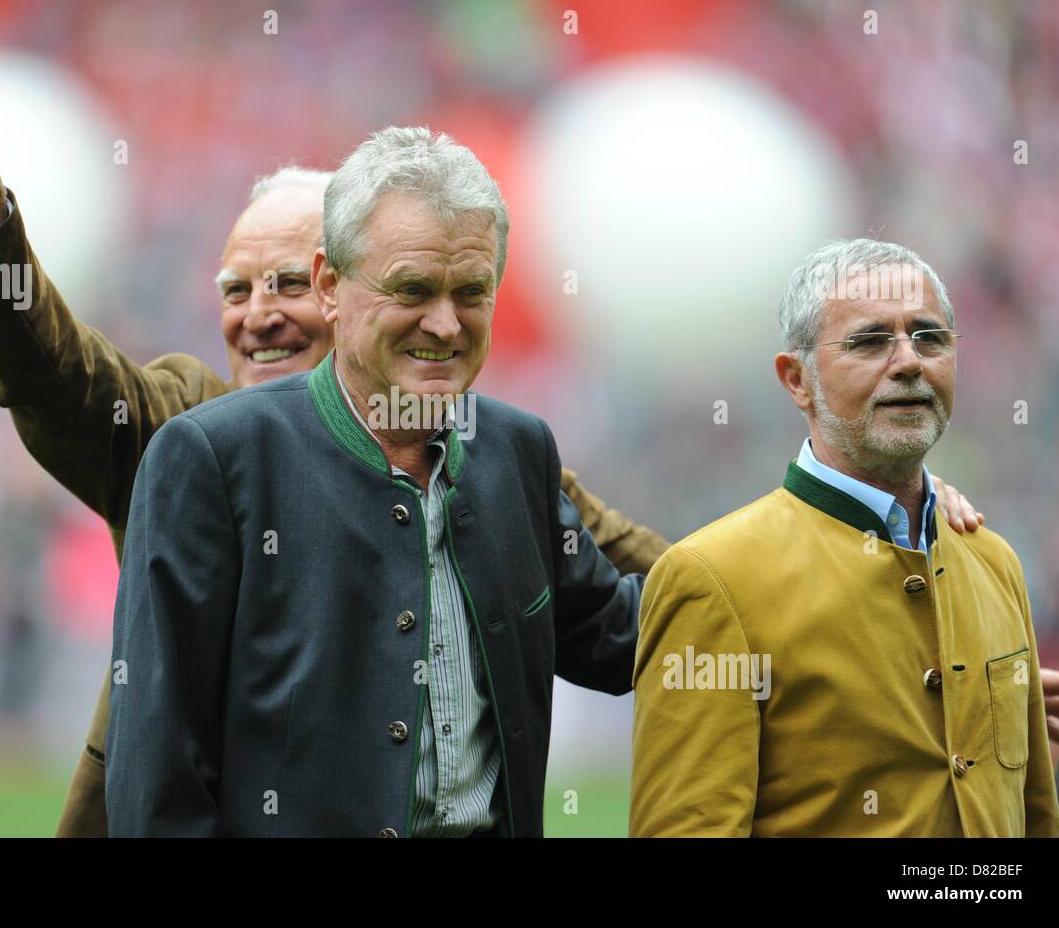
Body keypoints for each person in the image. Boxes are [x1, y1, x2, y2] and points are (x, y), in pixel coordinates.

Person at [0, 56, 669, 836]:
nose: (260, 314)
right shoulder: (193, 437)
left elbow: (654, 587)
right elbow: (58, 378)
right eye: (237, 289)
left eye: (288, 284)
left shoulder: (490, 450)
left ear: (337, 285)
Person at [105, 125, 654, 836]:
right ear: (331, 286)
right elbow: (159, 782)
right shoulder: (212, 458)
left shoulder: (517, 450)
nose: (446, 322)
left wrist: (804, 563)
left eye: (471, 290)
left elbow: (622, 634)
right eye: (414, 289)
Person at [629, 239, 1059, 837]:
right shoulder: (712, 578)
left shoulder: (994, 562)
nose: (909, 360)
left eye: (930, 337)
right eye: (870, 341)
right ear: (797, 379)